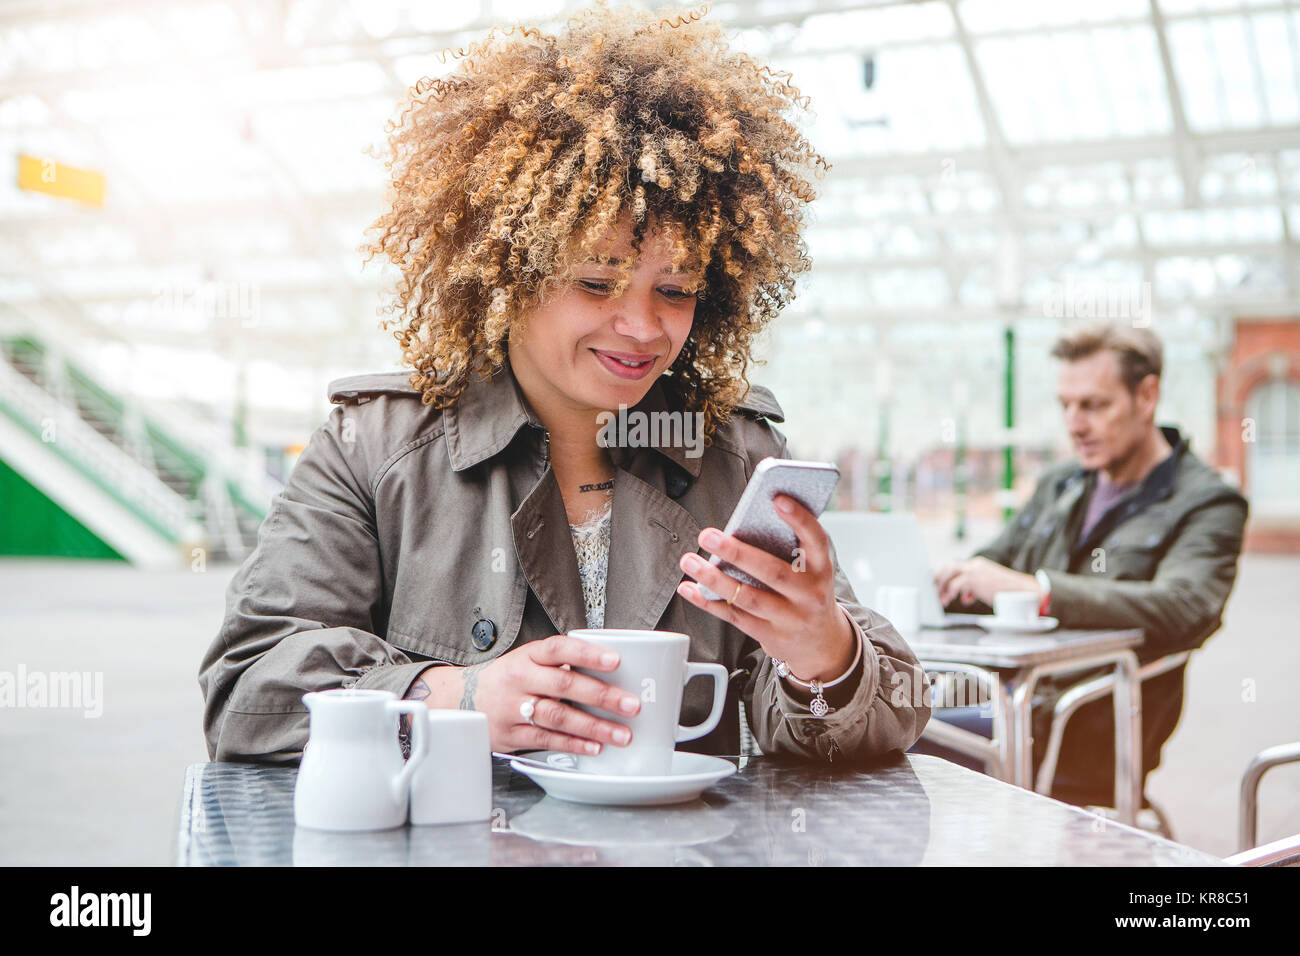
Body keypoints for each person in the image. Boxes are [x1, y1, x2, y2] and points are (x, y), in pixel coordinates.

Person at [199, 3, 930, 766]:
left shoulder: (735, 454)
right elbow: (249, 691)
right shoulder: (373, 447)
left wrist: (825, 657)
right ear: (505, 273)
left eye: (676, 291)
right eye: (595, 281)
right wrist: (456, 699)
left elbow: (889, 713)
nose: (644, 328)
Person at [915, 322, 1248, 808]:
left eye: (1093, 405)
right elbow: (996, 560)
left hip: (1089, 728)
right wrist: (960, 577)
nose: (1074, 424)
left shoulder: (1207, 503)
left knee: (888, 740)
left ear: (1147, 396)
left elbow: (1186, 605)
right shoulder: (1062, 484)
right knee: (865, 724)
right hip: (1007, 704)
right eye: (1065, 406)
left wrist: (1039, 591)